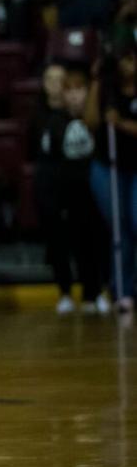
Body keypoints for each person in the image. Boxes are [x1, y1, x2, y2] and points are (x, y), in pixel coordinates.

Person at [35, 66, 107, 314]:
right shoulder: (55, 122)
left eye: (80, 90)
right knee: (65, 243)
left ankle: (94, 292)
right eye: (70, 91)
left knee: (93, 242)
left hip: (92, 189)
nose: (75, 96)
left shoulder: (96, 119)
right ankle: (65, 291)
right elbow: (49, 163)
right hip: (65, 193)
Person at [87, 49, 137, 314]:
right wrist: (96, 80)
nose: (129, 66)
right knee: (119, 228)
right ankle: (122, 289)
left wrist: (121, 124)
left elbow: (121, 123)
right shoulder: (108, 87)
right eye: (125, 59)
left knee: (136, 220)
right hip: (109, 166)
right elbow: (91, 122)